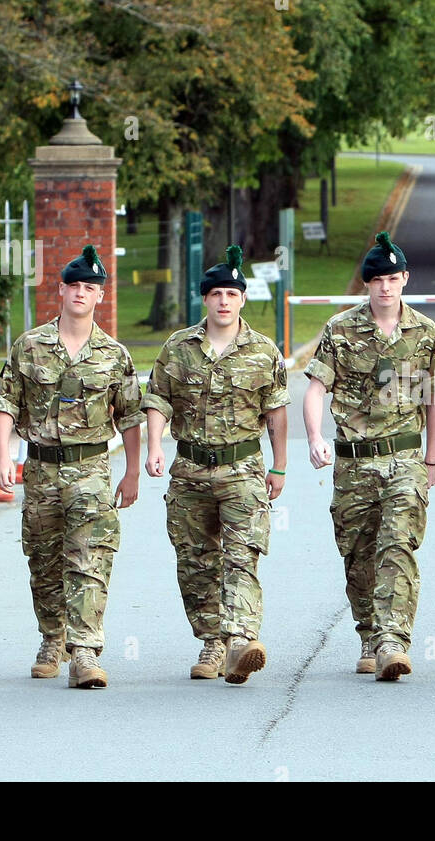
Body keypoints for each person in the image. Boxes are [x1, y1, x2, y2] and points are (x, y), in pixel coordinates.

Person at [0, 244, 144, 689]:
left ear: (100, 297)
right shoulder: (31, 345)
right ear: (60, 291)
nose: (80, 293)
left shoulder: (113, 354)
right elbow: (4, 403)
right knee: (43, 558)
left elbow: (129, 416)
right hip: (40, 470)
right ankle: (52, 637)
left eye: (89, 288)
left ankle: (86, 652)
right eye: (73, 286)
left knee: (89, 557)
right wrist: (2, 457)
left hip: (91, 468)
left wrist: (132, 472)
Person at [304, 231, 435, 682]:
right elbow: (316, 387)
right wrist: (314, 436)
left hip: (405, 456)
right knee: (357, 552)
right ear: (366, 285)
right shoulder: (340, 329)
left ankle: (393, 641)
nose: (385, 286)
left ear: (405, 278)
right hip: (353, 462)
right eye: (377, 280)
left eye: (392, 277)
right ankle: (369, 633)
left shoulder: (424, 333)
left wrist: (433, 459)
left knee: (398, 544)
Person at [143, 246, 289, 684]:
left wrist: (280, 466)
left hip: (242, 469)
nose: (224, 301)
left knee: (243, 557)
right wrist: (154, 446)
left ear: (242, 299)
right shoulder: (178, 347)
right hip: (189, 471)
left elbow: (276, 412)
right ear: (204, 300)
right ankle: (212, 642)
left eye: (231, 293)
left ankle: (242, 640)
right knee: (196, 560)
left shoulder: (264, 351)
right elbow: (157, 399)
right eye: (216, 294)